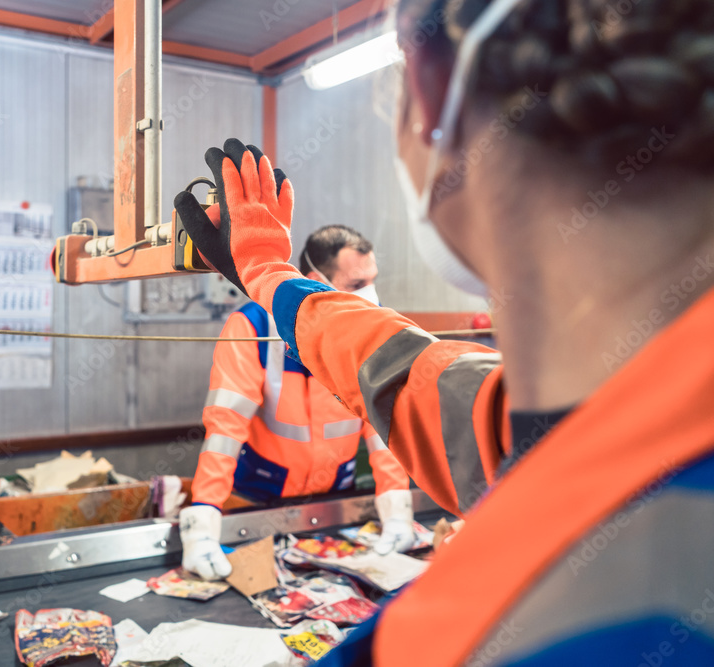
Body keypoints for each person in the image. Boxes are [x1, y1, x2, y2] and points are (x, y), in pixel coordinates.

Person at [173, 0, 714, 663]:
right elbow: (424, 384)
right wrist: (272, 278)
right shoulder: (627, 418)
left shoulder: (472, 637)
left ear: (427, 94)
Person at [179, 226, 414, 581]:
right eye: (355, 285)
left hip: (336, 505)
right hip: (256, 503)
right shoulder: (253, 327)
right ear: (315, 282)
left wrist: (397, 508)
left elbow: (383, 429)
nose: (370, 296)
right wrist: (202, 523)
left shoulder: (374, 329)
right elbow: (225, 430)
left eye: (372, 281)